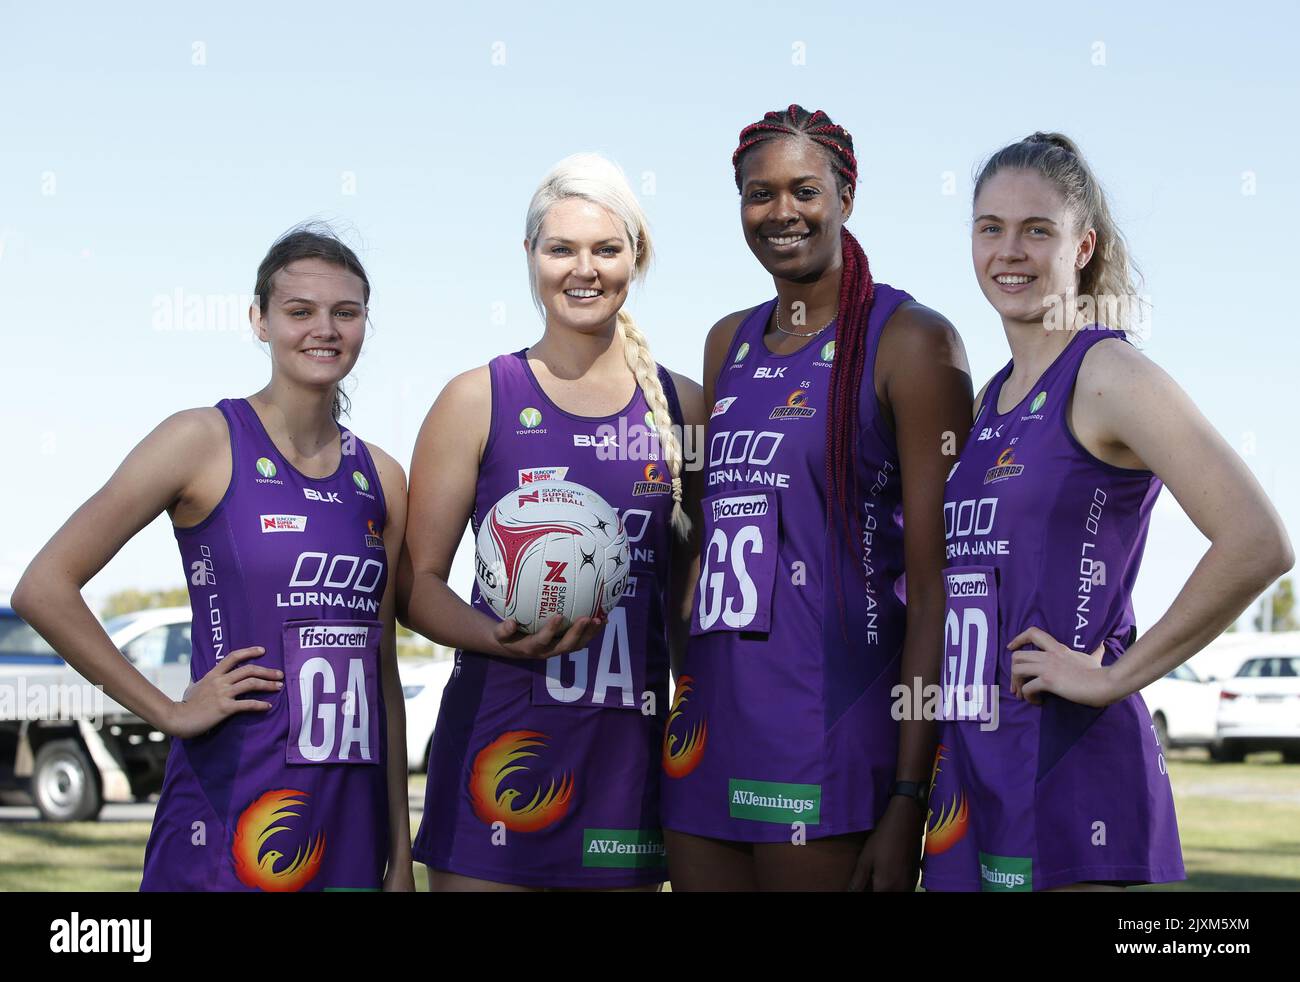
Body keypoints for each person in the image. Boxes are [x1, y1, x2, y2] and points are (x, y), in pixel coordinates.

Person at [922, 132, 1294, 892]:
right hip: (975, 769)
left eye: (1038, 230)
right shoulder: (988, 397)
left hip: (1072, 773)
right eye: (990, 227)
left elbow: (1258, 540)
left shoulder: (1107, 373)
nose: (1009, 250)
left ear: (1082, 245)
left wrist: (1114, 676)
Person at [12, 225, 413, 891]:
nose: (325, 328)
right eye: (299, 310)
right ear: (258, 320)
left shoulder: (384, 476)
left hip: (347, 829)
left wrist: (399, 855)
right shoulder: (200, 440)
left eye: (346, 311)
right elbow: (44, 588)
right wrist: (168, 710)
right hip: (226, 817)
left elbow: (383, 675)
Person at [659, 105, 974, 891]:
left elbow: (939, 583)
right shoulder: (727, 338)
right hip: (711, 729)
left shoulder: (912, 341)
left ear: (846, 197)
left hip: (828, 736)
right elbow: (705, 540)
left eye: (805, 190)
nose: (781, 212)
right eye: (758, 194)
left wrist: (908, 792)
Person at [399, 153, 705, 891]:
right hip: (497, 749)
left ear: (637, 257)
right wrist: (499, 637)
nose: (584, 269)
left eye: (607, 248)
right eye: (560, 248)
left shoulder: (685, 406)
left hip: (625, 766)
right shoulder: (478, 398)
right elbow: (415, 585)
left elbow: (688, 602)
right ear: (530, 257)